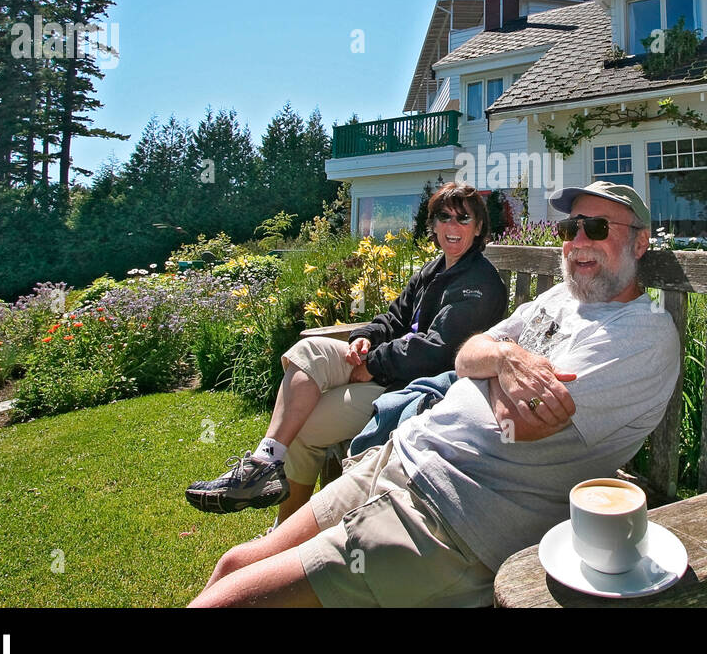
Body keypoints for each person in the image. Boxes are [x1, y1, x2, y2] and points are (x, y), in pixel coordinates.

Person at [189, 181, 681, 608]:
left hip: (451, 516)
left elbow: (521, 419)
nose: (578, 241)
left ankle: (274, 476)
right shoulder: (557, 298)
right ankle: (267, 462)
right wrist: (506, 360)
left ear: (639, 244)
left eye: (597, 229)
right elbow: (468, 354)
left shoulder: (640, 334)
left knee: (232, 598)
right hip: (402, 458)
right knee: (234, 562)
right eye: (570, 228)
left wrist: (489, 359)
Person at [185, 181, 507, 523]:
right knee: (309, 350)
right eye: (444, 217)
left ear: (479, 227)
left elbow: (440, 350)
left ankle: (281, 537)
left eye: (463, 218)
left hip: (414, 388)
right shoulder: (435, 269)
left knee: (303, 427)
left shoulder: (479, 282)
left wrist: (375, 365)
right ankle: (264, 462)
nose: (451, 227)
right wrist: (365, 338)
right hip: (390, 368)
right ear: (434, 224)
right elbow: (395, 317)